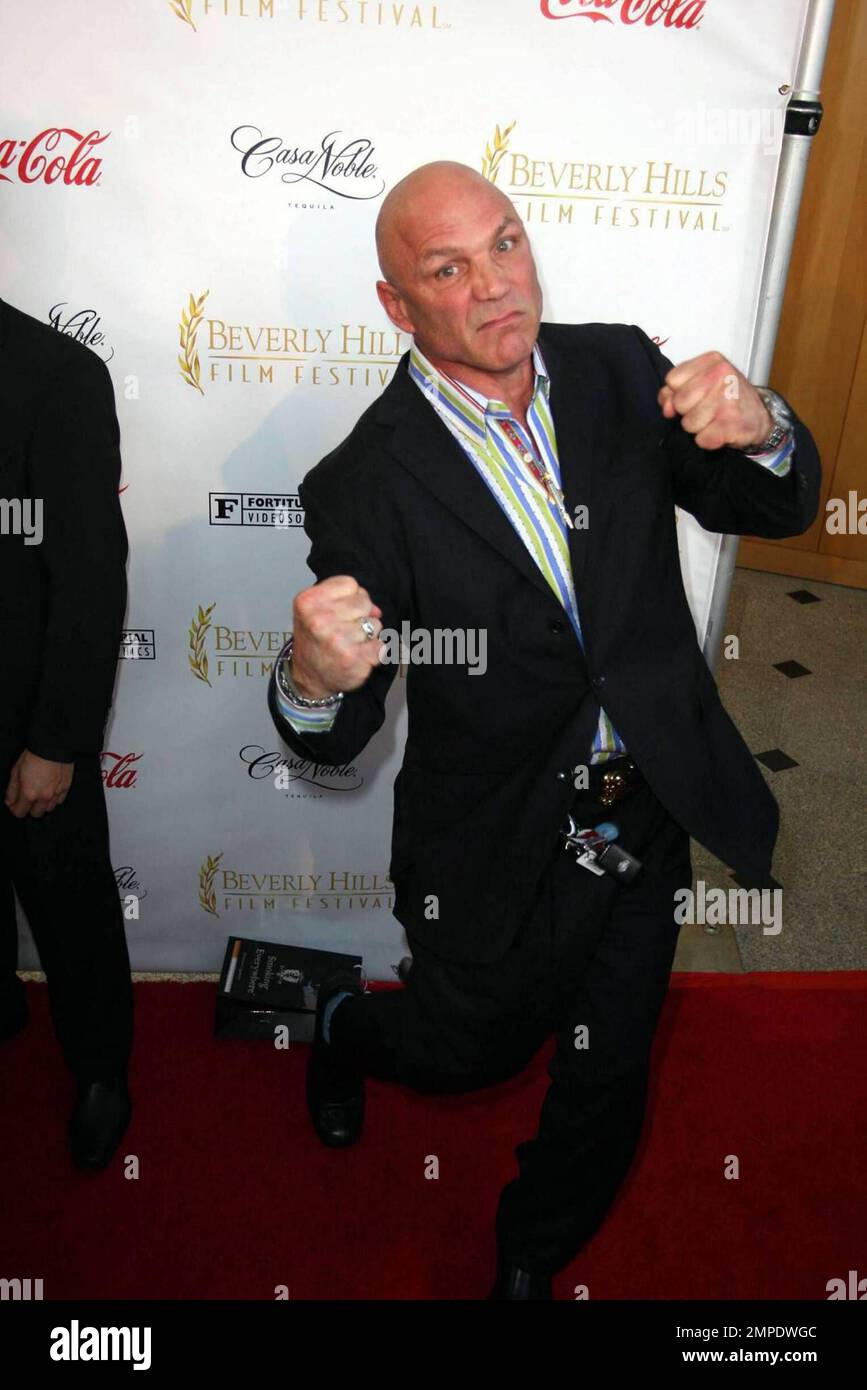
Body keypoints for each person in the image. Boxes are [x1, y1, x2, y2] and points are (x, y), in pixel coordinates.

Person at [266, 162, 821, 1298]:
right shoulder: (364, 481)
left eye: (505, 243)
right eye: (447, 268)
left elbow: (772, 502)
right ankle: (344, 1028)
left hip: (647, 802)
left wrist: (763, 424)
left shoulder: (618, 366)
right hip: (499, 840)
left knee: (610, 1068)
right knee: (468, 1049)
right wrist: (309, 678)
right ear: (396, 305)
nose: (496, 285)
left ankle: (530, 1253)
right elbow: (342, 719)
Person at [0, 295, 133, 1172]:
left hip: (22, 717)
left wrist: (56, 741)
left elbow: (88, 577)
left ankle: (100, 1073)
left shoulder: (55, 376)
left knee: (70, 906)